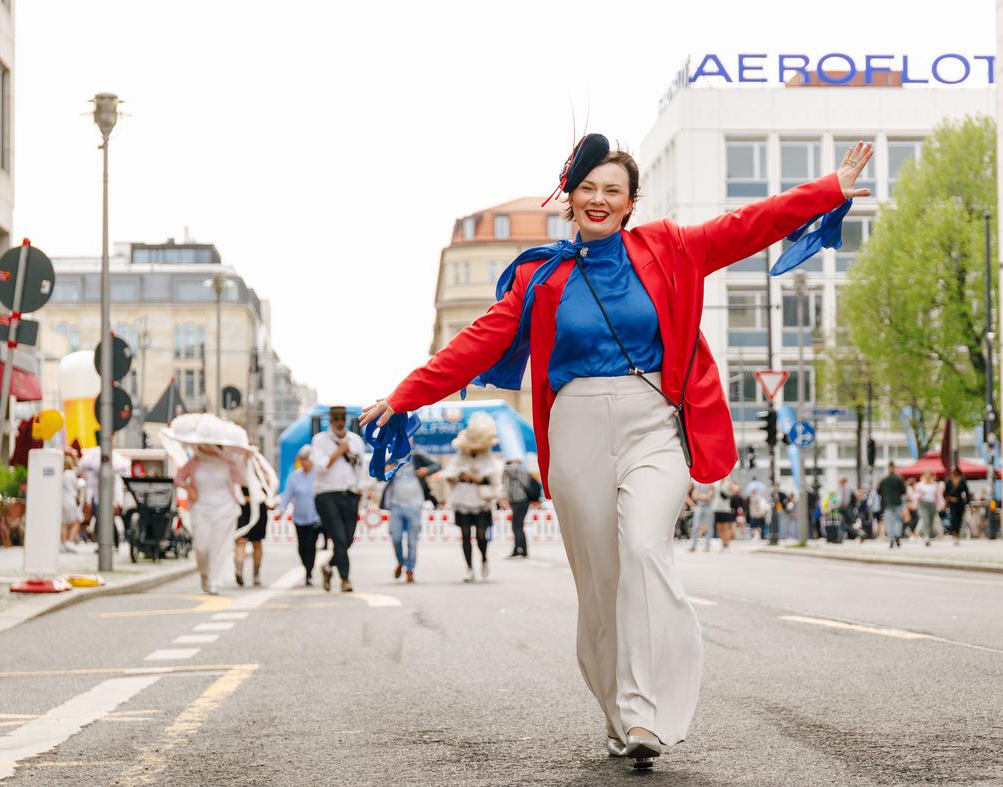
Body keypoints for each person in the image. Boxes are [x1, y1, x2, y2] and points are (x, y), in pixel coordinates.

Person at [361, 133, 869, 764]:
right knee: (601, 582)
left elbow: (748, 225)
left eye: (613, 191)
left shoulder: (670, 247)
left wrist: (826, 192)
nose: (599, 200)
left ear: (631, 202)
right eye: (588, 189)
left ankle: (652, 715)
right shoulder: (542, 276)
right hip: (575, 427)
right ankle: (621, 712)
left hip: (653, 422)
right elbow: (477, 342)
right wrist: (405, 394)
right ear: (570, 198)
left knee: (643, 550)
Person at [310, 406, 367, 593]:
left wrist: (360, 489)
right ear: (331, 421)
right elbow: (321, 466)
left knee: (348, 538)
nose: (339, 422)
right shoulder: (320, 441)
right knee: (339, 537)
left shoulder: (356, 441)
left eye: (342, 418)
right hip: (327, 494)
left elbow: (360, 468)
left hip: (349, 494)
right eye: (336, 418)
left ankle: (328, 566)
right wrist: (339, 450)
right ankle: (345, 579)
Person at [174, 445, 245, 595]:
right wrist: (188, 488)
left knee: (218, 546)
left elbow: (242, 479)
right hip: (200, 507)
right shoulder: (194, 461)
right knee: (201, 547)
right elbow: (178, 478)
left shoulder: (227, 461)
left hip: (224, 507)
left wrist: (243, 460)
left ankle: (214, 580)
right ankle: (204, 574)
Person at [445, 414, 501, 582]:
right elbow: (450, 472)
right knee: (465, 535)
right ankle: (469, 568)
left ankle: (484, 559)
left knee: (482, 535)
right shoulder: (460, 457)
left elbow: (493, 477)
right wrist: (458, 476)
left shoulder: (488, 458)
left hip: (481, 501)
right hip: (462, 499)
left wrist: (476, 478)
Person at [382, 448, 440, 582]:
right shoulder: (391, 458)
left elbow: (437, 465)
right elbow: (378, 474)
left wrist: (427, 470)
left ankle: (410, 569)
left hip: (415, 505)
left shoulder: (417, 456)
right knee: (395, 538)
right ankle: (401, 561)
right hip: (396, 505)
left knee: (412, 540)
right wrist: (387, 469)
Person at [286, 447, 321, 585]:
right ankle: (306, 567)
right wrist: (281, 508)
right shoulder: (294, 476)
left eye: (307, 459)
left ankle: (309, 572)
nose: (305, 462)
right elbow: (288, 494)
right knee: (301, 546)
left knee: (311, 545)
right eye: (302, 460)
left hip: (314, 517)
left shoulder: (318, 475)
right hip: (299, 518)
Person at [500, 456, 536, 558]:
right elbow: (528, 485)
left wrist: (504, 497)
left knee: (516, 527)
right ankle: (523, 550)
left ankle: (518, 549)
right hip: (524, 500)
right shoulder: (523, 470)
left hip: (515, 501)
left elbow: (505, 486)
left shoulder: (506, 471)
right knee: (520, 526)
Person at [234, 484, 269, 587]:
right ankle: (239, 571)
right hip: (242, 508)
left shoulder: (261, 470)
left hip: (259, 508)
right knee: (240, 540)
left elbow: (268, 488)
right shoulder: (237, 470)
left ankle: (256, 574)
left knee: (257, 542)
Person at [876, 462, 907, 549]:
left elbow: (878, 491)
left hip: (887, 503)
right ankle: (897, 535)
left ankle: (891, 538)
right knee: (898, 520)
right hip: (897, 502)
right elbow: (904, 491)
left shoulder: (884, 479)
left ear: (888, 468)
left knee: (889, 522)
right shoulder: (899, 478)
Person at [60, 456, 84, 552]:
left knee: (64, 523)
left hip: (62, 501)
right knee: (76, 521)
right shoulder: (71, 474)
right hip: (70, 500)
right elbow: (77, 488)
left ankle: (63, 542)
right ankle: (70, 540)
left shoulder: (60, 474)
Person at [914, 470, 943, 547]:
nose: (927, 476)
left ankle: (928, 535)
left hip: (932, 504)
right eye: (926, 475)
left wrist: (941, 505)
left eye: (929, 475)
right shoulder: (920, 485)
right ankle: (927, 537)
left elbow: (939, 496)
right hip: (923, 504)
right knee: (925, 519)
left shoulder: (935, 485)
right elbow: (915, 496)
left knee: (931, 521)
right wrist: (921, 495)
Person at [943, 467, 970, 545]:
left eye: (954, 471)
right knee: (953, 519)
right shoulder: (949, 480)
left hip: (960, 502)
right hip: (952, 503)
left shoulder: (962, 480)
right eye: (952, 471)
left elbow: (966, 492)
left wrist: (967, 502)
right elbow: (945, 493)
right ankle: (954, 535)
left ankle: (957, 535)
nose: (953, 472)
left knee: (959, 519)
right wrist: (949, 499)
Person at [688, 481, 715, 552]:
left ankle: (707, 546)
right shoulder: (697, 483)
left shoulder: (711, 482)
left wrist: (699, 496)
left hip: (708, 507)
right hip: (699, 506)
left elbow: (709, 496)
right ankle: (693, 545)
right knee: (696, 527)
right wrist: (704, 496)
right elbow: (694, 496)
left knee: (709, 527)